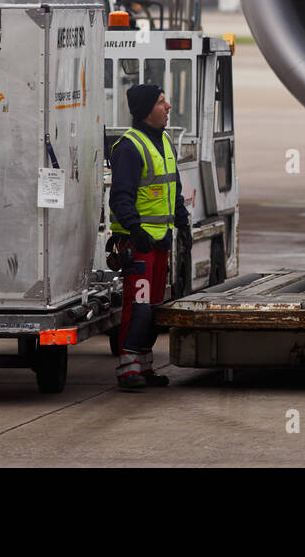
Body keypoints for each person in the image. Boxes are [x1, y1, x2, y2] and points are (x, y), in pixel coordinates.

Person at [108, 83, 190, 391]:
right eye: (160, 102)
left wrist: (183, 226)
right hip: (139, 243)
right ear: (145, 112)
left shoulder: (164, 141)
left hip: (161, 241)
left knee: (154, 307)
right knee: (138, 305)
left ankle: (143, 365)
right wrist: (135, 230)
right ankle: (128, 368)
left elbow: (174, 190)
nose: (168, 106)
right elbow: (120, 198)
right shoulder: (130, 147)